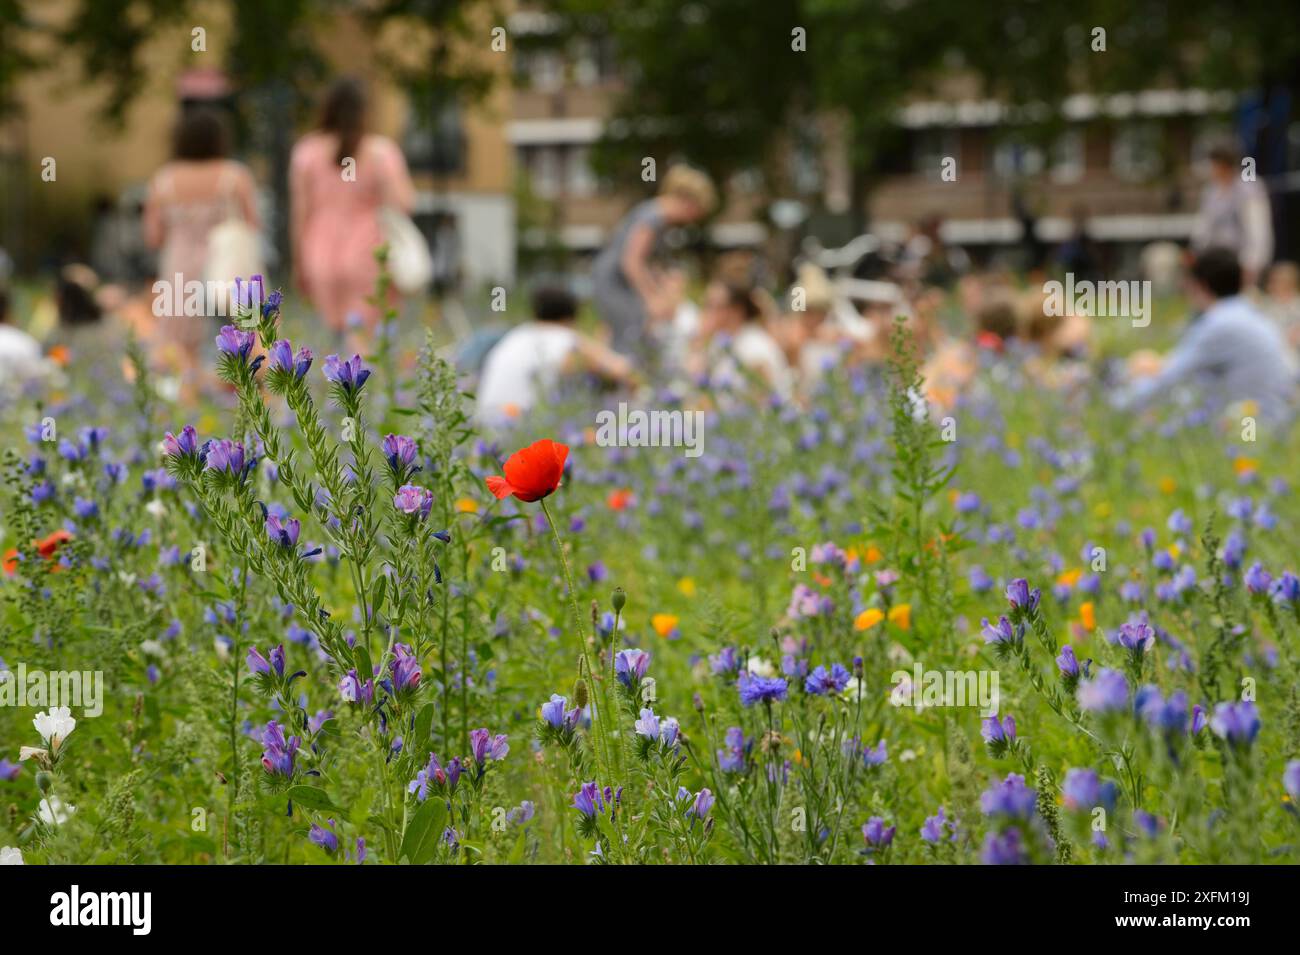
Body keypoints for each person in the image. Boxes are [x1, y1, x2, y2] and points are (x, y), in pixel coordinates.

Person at [291, 77, 415, 348]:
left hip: (320, 254)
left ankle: (337, 386)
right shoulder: (380, 151)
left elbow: (300, 214)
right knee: (362, 339)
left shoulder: (307, 152)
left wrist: (299, 262)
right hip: (367, 253)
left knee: (335, 337)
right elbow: (404, 203)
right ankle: (363, 389)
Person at [1115, 247, 1298, 422]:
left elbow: (1168, 378)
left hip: (1252, 427)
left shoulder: (1220, 324)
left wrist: (1115, 403)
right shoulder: (1245, 312)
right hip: (1270, 416)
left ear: (1200, 285)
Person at [142, 106, 260, 375]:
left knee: (180, 346)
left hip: (179, 269)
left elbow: (153, 237)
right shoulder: (235, 176)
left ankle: (189, 402)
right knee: (238, 341)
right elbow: (253, 226)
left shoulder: (163, 180)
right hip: (226, 268)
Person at [591, 164, 716, 356]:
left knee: (628, 335)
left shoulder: (655, 216)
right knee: (630, 335)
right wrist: (651, 298)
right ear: (689, 202)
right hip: (614, 283)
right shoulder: (653, 217)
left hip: (616, 281)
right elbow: (631, 261)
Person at [477, 287, 638, 425]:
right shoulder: (564, 338)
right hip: (521, 429)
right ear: (571, 317)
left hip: (485, 426)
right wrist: (601, 346)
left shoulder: (516, 335)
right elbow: (624, 372)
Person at [687, 277, 793, 400]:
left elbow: (761, 404)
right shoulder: (720, 342)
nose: (705, 312)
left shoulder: (754, 348)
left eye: (712, 305)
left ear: (736, 310)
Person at [1191, 143, 1273, 287]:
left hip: (1241, 262)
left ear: (1223, 165)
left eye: (1213, 164)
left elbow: (1259, 231)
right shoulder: (1211, 191)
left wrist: (1252, 264)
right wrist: (1196, 253)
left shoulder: (1249, 188)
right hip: (1216, 261)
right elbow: (1204, 228)